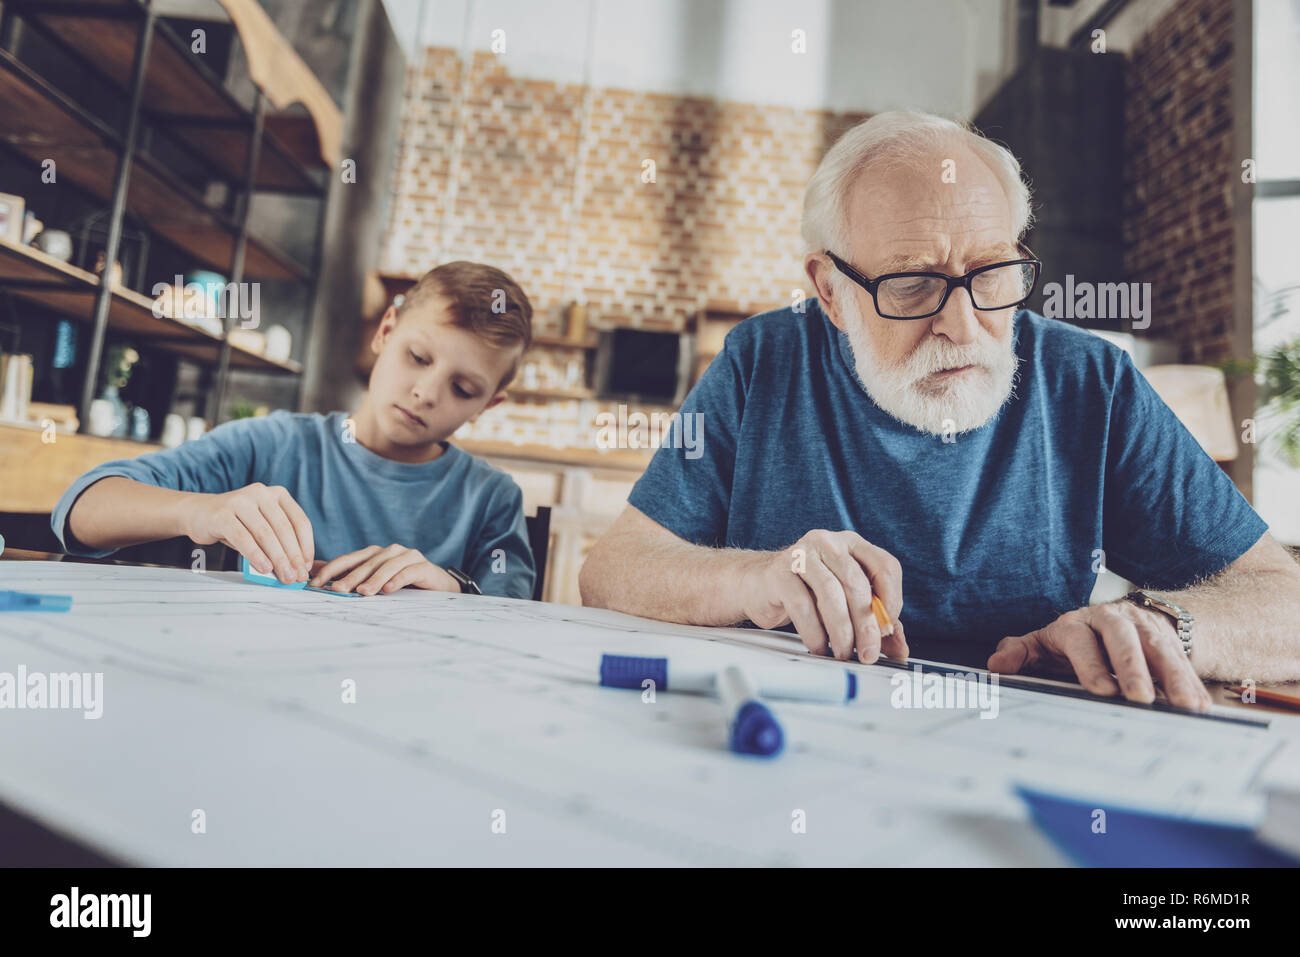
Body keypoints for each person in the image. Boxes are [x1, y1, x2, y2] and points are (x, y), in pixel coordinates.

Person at [580, 111, 1300, 712]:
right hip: (797, 729)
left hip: (1024, 741)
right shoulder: (763, 361)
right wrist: (754, 578)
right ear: (829, 289)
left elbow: (1285, 602)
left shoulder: (1092, 383)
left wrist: (1166, 626)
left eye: (991, 272)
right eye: (913, 284)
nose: (962, 323)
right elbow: (612, 570)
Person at [54, 261, 536, 599]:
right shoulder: (272, 444)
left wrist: (451, 585)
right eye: (418, 358)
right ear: (386, 331)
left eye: (464, 388)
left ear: (487, 405)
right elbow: (79, 509)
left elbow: (511, 613)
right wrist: (199, 511)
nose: (426, 393)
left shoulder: (492, 498)